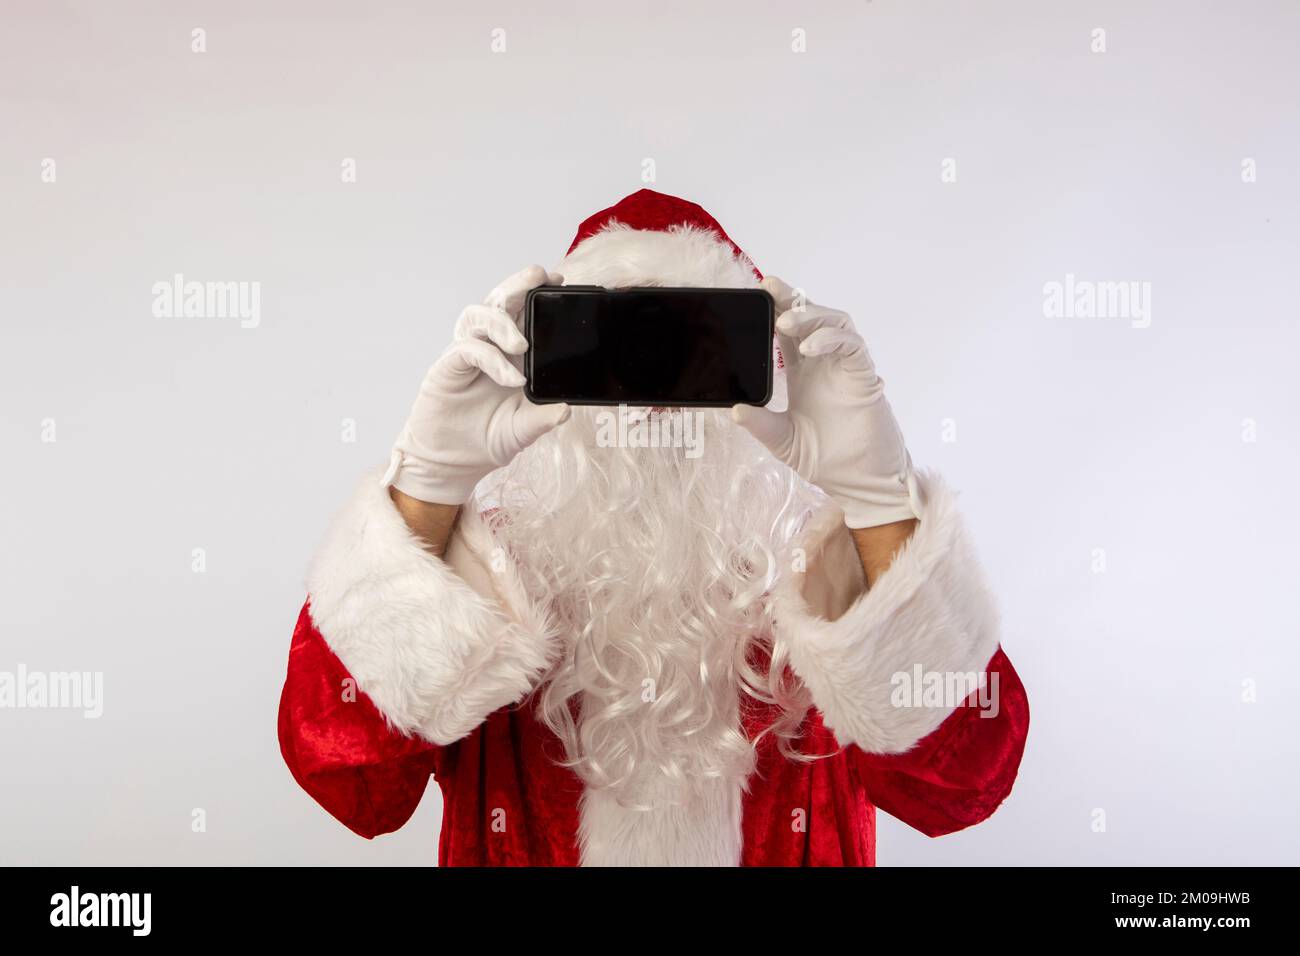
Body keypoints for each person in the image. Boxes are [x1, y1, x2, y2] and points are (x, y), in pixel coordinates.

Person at [278, 189, 1029, 866]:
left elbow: (960, 791)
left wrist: (877, 499)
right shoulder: (485, 586)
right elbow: (352, 788)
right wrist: (426, 486)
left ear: (753, 365)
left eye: (687, 351)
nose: (653, 399)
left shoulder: (822, 585)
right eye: (621, 348)